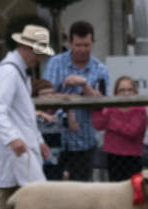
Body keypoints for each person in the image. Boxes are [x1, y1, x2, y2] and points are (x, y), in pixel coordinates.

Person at [0, 24, 91, 209]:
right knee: (43, 198)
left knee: (5, 198)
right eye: (38, 52)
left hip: (18, 145)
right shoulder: (10, 73)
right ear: (27, 48)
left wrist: (38, 141)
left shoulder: (16, 71)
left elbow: (22, 113)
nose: (40, 58)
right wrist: (14, 139)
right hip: (16, 147)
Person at [43, 20, 110, 182]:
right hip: (55, 138)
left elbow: (100, 104)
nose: (82, 50)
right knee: (52, 190)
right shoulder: (55, 63)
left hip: (84, 140)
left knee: (81, 192)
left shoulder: (100, 69)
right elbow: (45, 96)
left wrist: (83, 84)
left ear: (93, 42)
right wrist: (79, 98)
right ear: (70, 43)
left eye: (86, 45)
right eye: (78, 45)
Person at [92, 76, 147, 181]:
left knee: (134, 188)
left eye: (130, 90)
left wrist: (111, 122)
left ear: (135, 91)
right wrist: (97, 108)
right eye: (122, 90)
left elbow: (132, 131)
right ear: (116, 93)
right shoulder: (111, 107)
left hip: (133, 156)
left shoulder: (140, 108)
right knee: (116, 188)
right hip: (113, 155)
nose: (126, 93)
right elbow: (99, 125)